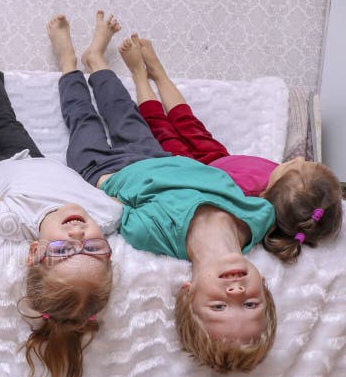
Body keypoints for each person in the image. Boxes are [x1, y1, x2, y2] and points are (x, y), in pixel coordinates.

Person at [50, 12, 277, 373]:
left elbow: (114, 209)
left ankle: (68, 63)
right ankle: (96, 60)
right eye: (251, 305)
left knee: (84, 119)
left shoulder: (155, 236)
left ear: (188, 292)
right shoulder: (259, 216)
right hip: (154, 154)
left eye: (219, 307)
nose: (236, 295)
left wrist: (106, 185)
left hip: (103, 170)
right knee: (122, 108)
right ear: (264, 287)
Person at [0, 17, 123, 377]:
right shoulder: (108, 216)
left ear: (35, 252)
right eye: (92, 247)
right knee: (3, 113)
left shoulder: (13, 223)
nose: (78, 234)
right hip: (31, 156)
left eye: (63, 250)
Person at [120, 34, 342, 262]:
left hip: (193, 170)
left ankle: (139, 76)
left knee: (161, 127)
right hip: (220, 157)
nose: (297, 159)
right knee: (186, 119)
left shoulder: (249, 193)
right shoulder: (284, 189)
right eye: (305, 162)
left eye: (295, 166)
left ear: (268, 192)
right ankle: (159, 73)